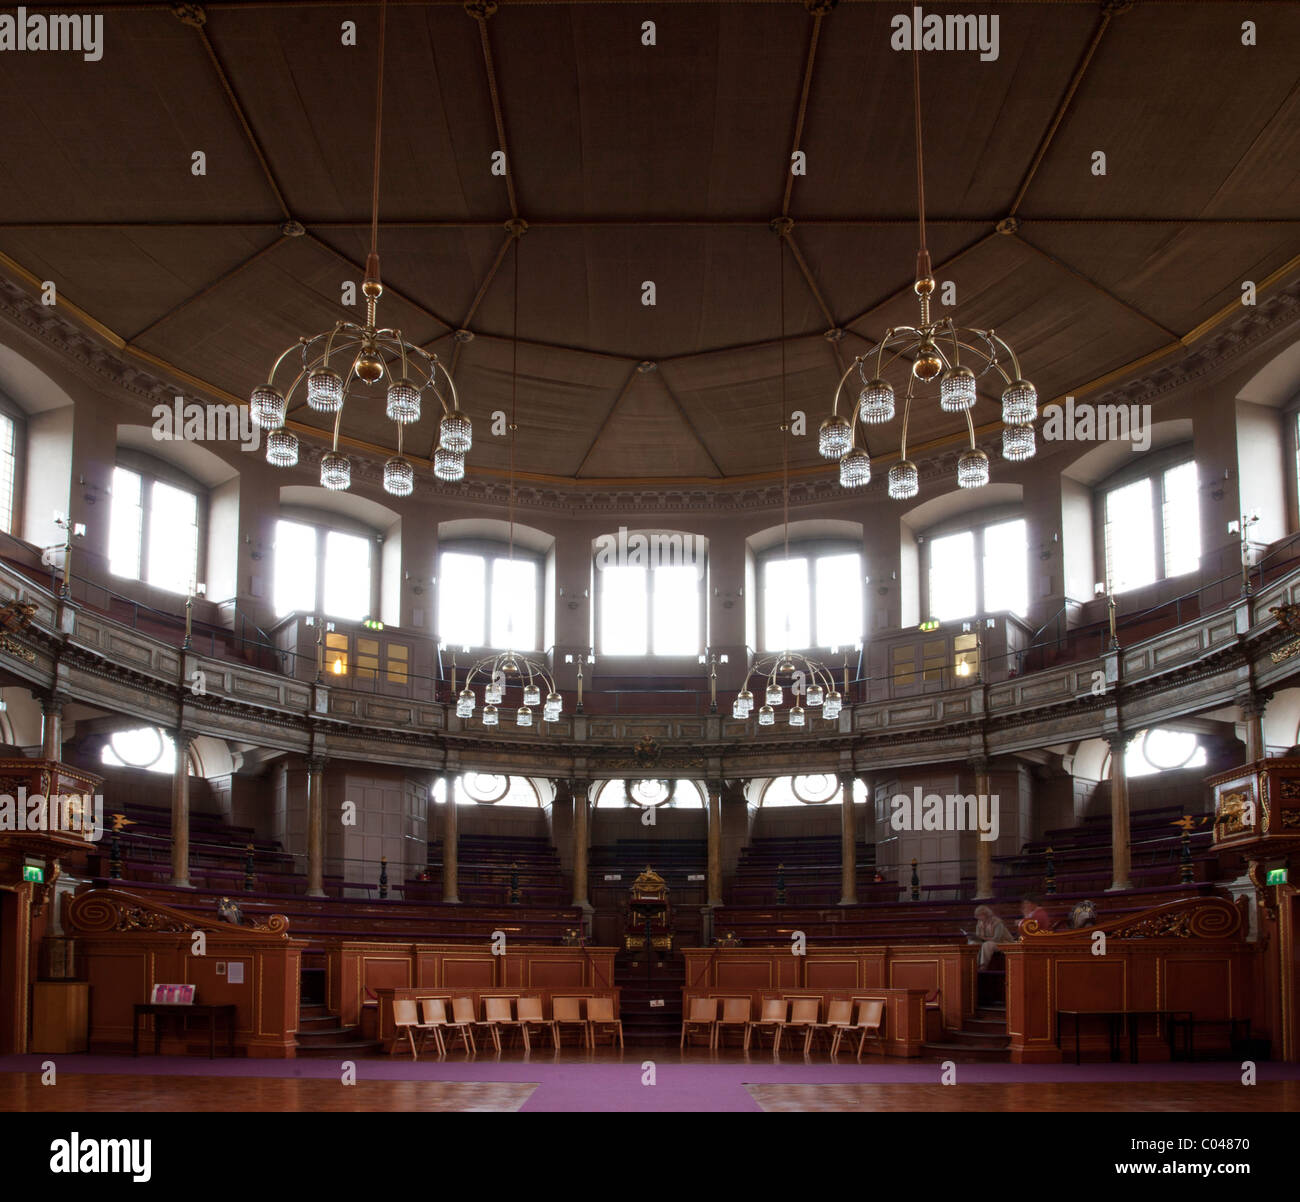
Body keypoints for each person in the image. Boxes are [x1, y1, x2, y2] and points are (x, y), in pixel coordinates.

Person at [966, 904, 1013, 970]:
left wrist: (982, 938)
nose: (978, 918)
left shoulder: (997, 922)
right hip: (987, 941)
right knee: (973, 943)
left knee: (987, 945)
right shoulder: (980, 922)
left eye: (980, 915)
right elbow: (978, 935)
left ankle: (983, 966)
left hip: (1003, 943)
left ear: (986, 914)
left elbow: (997, 939)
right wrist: (974, 937)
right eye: (977, 916)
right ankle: (972, 964)